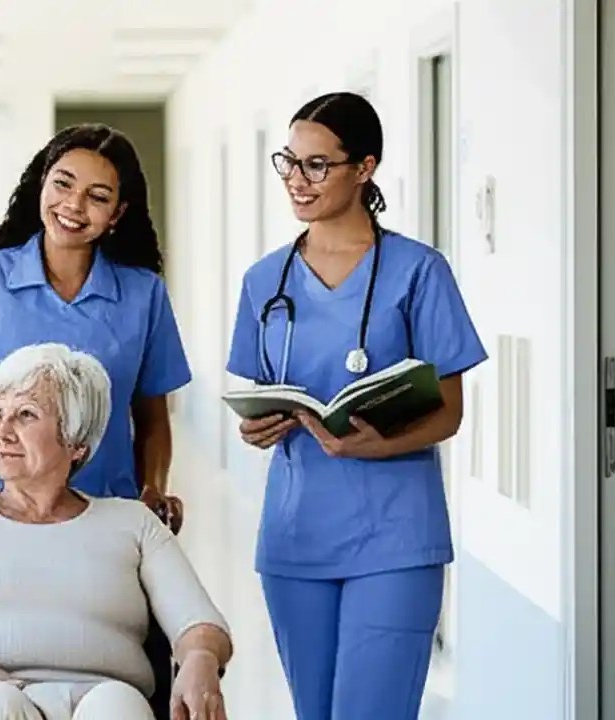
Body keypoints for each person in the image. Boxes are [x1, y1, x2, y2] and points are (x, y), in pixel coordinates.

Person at [226, 92, 487, 719]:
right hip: (295, 536)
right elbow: (256, 393)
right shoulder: (265, 281)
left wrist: (380, 442)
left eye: (317, 165)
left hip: (395, 536)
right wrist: (256, 429)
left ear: (364, 168)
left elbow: (449, 411)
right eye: (290, 162)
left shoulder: (419, 271)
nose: (297, 179)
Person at [0, 343, 232, 720]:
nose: (2, 432)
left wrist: (200, 657)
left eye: (25, 415)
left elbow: (200, 623)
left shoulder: (134, 523)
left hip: (106, 699)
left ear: (76, 443)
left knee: (116, 704)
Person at [0, 124, 190, 525]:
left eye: (98, 197)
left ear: (117, 213)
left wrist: (153, 488)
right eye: (63, 183)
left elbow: (152, 415)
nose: (74, 205)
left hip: (109, 514)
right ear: (42, 182)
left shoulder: (144, 294)